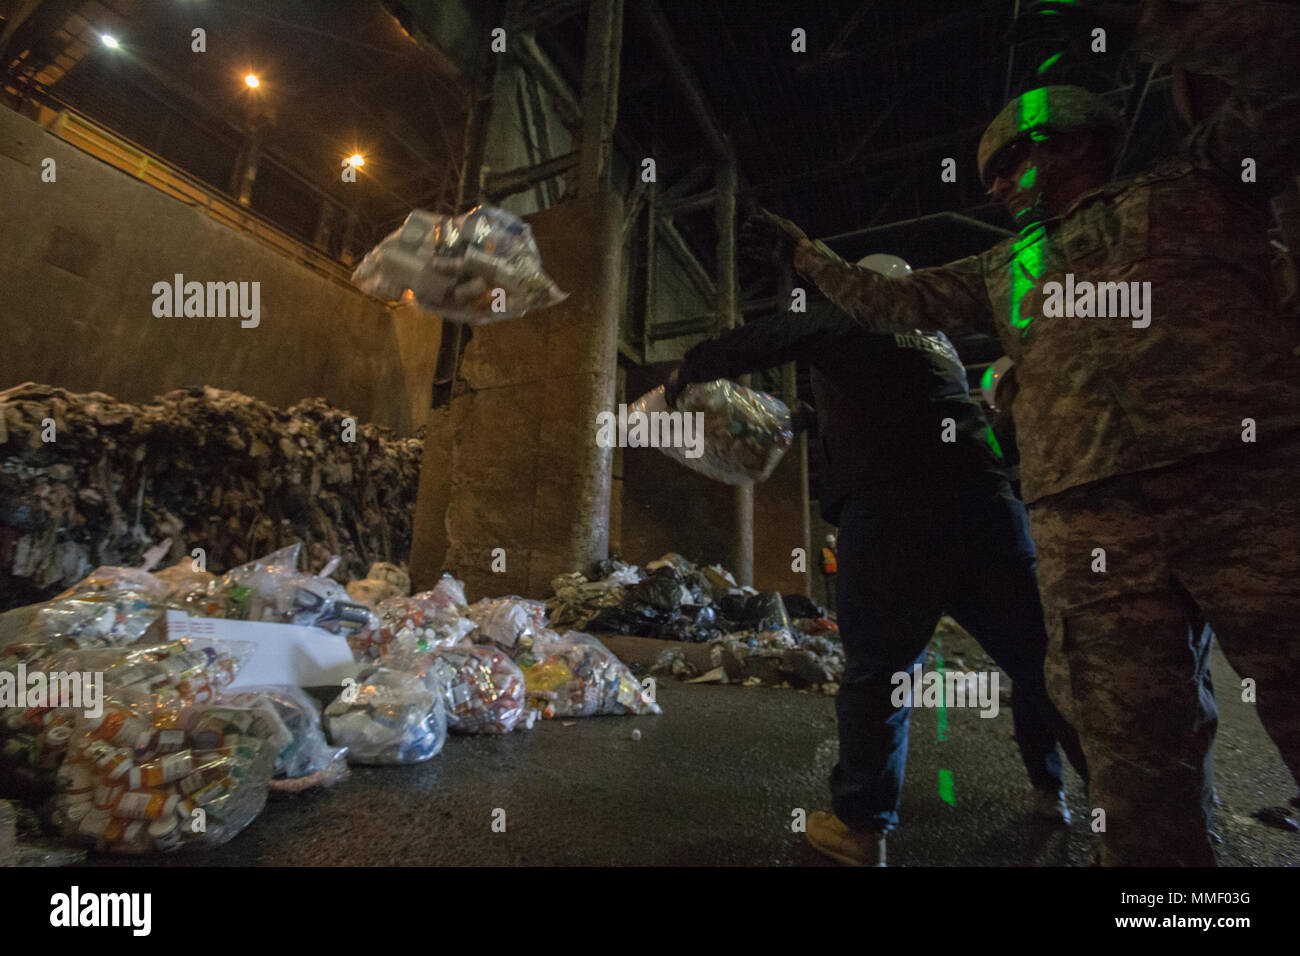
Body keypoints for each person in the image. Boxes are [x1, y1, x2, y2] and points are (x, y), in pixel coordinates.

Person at [738, 1, 1300, 865]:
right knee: (1134, 758)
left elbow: (1278, 68)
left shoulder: (1199, 184)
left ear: (1074, 142)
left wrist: (1155, 17)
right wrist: (806, 253)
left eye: (1008, 162)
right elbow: (890, 301)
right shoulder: (1007, 265)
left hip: (1247, 486)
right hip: (1088, 519)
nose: (995, 186)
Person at [667, 255, 1088, 867]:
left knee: (881, 671)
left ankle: (862, 827)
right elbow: (890, 398)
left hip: (896, 512)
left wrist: (696, 366)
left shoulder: (849, 306)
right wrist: (799, 419)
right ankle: (1080, 795)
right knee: (1040, 658)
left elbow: (769, 338)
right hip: (986, 502)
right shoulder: (934, 339)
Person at [819, 533, 838, 613]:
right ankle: (831, 610)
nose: (831, 544)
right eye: (830, 542)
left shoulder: (838, 550)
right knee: (830, 594)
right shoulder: (824, 551)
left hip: (838, 574)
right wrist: (823, 573)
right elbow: (820, 563)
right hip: (829, 575)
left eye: (832, 542)